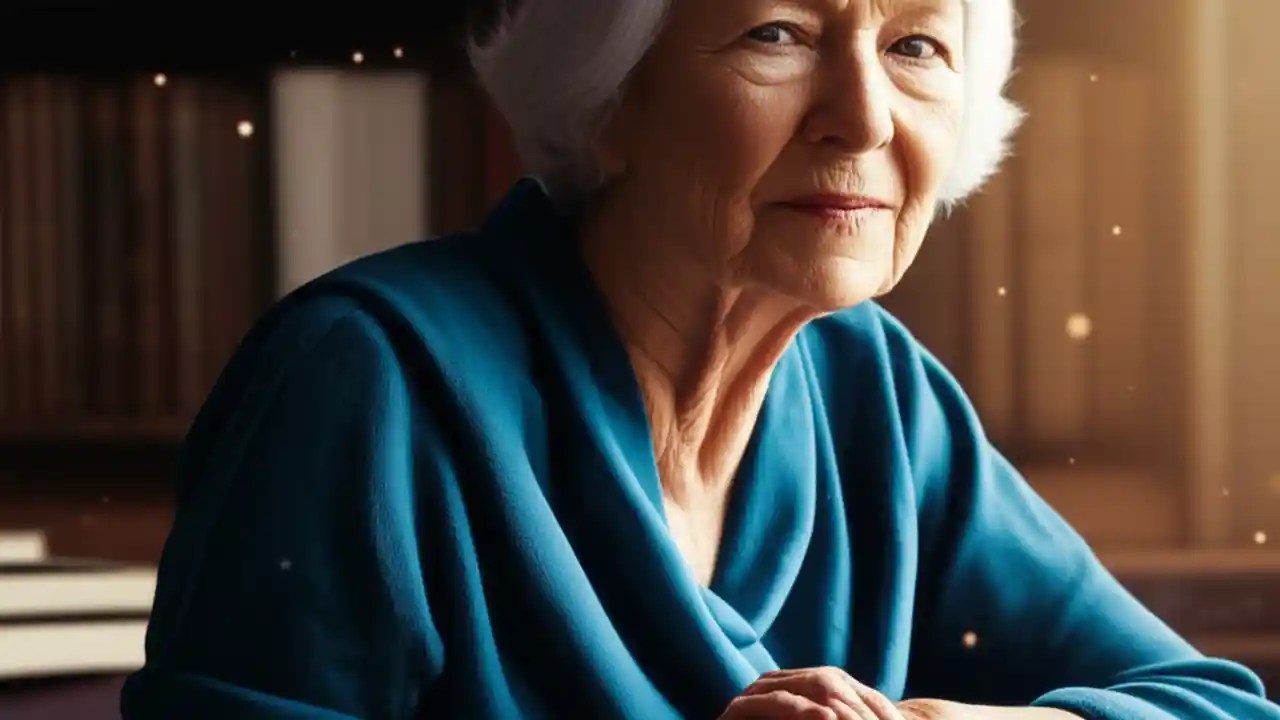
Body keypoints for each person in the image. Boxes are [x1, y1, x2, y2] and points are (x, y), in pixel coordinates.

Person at [121, 0, 1280, 718]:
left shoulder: (876, 392)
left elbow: (1210, 705)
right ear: (605, 92)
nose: (864, 117)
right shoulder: (365, 381)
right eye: (776, 34)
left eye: (916, 43)